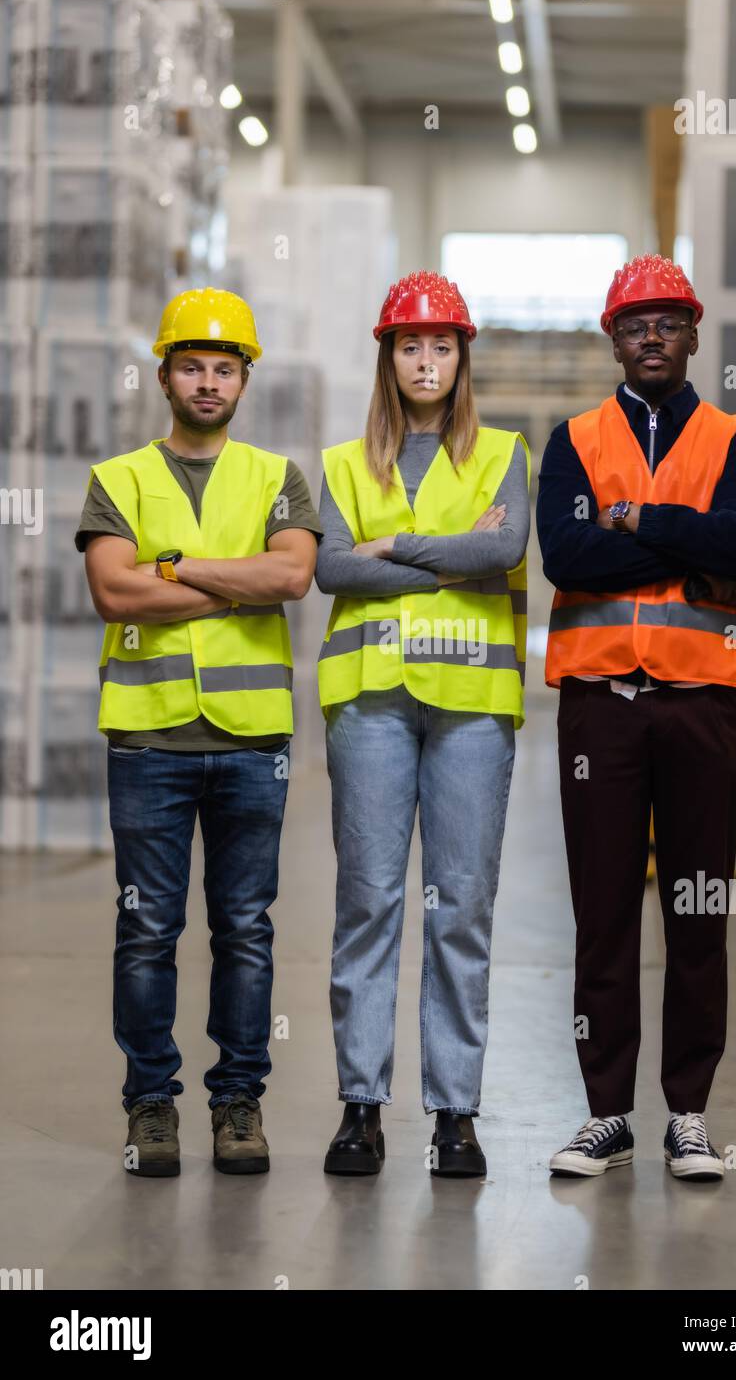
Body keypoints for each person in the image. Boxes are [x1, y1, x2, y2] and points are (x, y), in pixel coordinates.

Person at [536, 255, 736, 1181]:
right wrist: (676, 536)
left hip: (701, 706)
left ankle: (686, 1113)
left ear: (691, 335)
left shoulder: (732, 439)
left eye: (667, 322)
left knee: (696, 911)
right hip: (602, 708)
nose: (650, 336)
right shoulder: (573, 439)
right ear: (612, 337)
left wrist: (631, 519)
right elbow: (567, 554)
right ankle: (605, 1113)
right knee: (602, 914)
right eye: (634, 323)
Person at [75, 287, 322, 1177]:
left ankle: (237, 1104)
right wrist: (230, 582)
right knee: (146, 930)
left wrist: (172, 567)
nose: (208, 381)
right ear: (165, 375)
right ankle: (150, 1103)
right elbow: (115, 592)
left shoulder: (276, 477)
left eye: (224, 367)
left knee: (245, 928)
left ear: (244, 380)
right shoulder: (119, 478)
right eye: (192, 366)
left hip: (253, 740)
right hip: (148, 738)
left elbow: (292, 579)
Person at [315, 270, 530, 1178]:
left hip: (473, 711)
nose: (427, 359)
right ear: (387, 356)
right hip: (368, 704)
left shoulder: (505, 452)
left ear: (462, 356)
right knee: (368, 901)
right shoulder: (340, 463)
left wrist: (393, 548)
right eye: (411, 344)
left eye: (443, 345)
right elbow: (330, 570)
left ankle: (455, 1115)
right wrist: (449, 560)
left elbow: (505, 548)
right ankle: (361, 1108)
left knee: (461, 908)